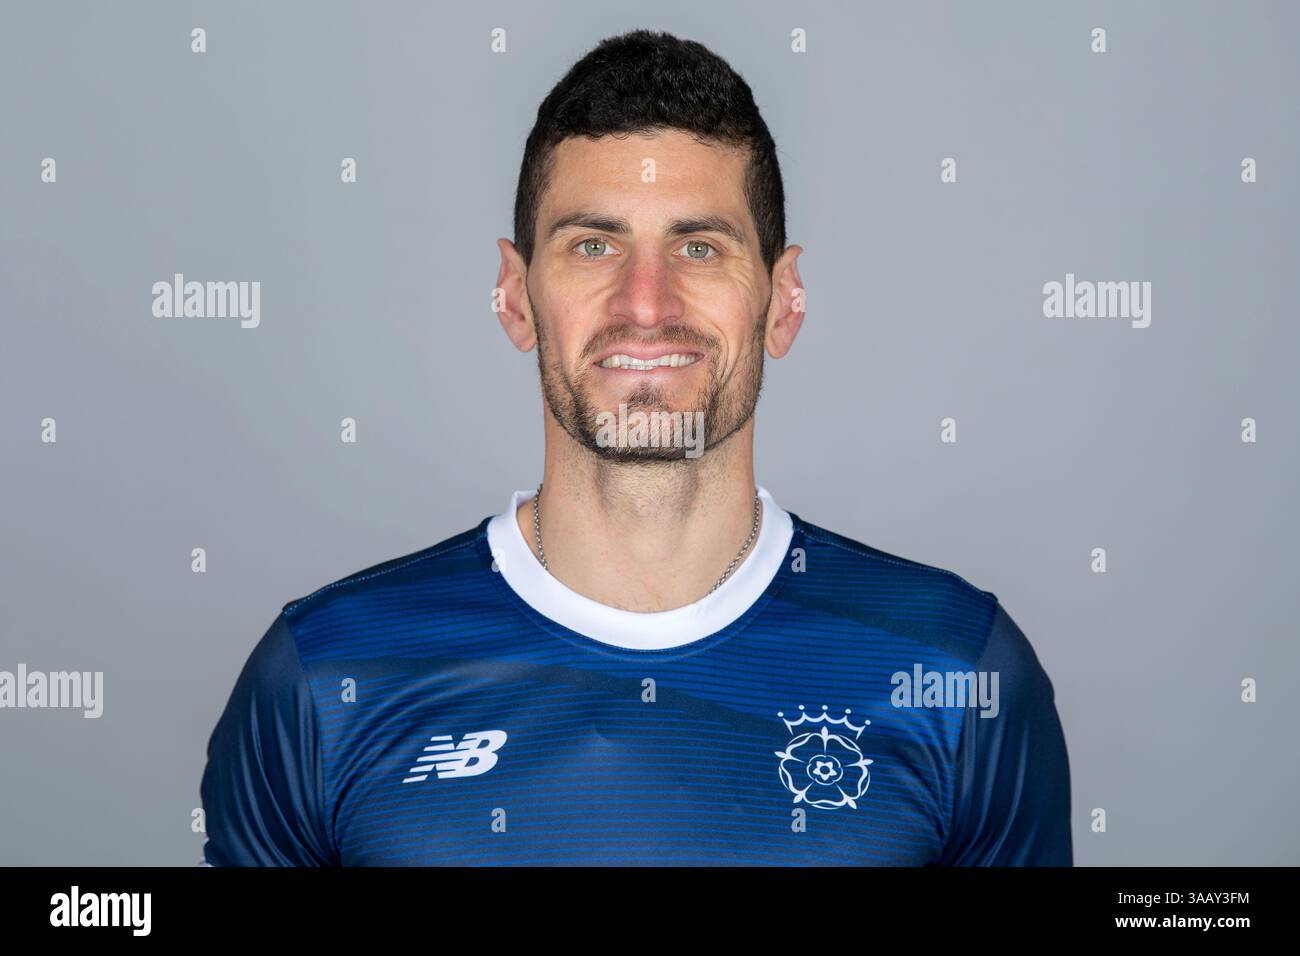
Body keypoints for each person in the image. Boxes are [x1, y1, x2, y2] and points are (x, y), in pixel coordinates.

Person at [200, 28, 1071, 866]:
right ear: (514, 297)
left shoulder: (955, 673)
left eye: (699, 246)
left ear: (783, 301)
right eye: (593, 245)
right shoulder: (326, 679)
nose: (645, 303)